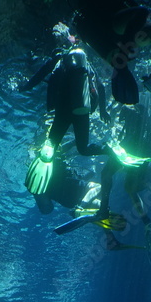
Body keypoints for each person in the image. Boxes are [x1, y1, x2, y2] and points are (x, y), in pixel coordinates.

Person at [20, 24, 109, 195]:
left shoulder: (60, 58)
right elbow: (101, 87)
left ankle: (45, 178)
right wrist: (103, 111)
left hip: (62, 111)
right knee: (83, 149)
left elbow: (40, 75)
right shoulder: (86, 64)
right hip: (82, 111)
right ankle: (108, 149)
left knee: (50, 146)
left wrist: (25, 87)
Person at [73, 0, 151, 108]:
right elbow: (136, 12)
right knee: (142, 11)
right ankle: (124, 58)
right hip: (111, 29)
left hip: (121, 35)